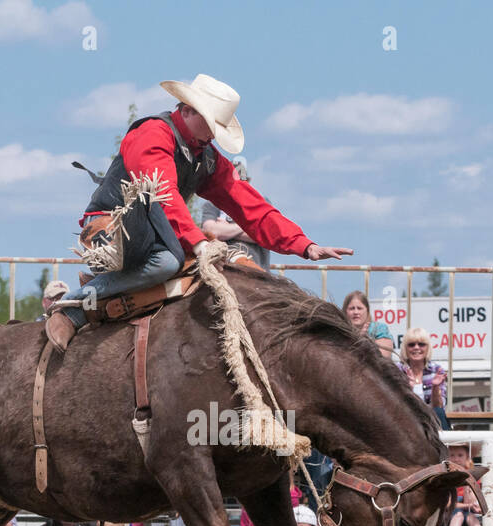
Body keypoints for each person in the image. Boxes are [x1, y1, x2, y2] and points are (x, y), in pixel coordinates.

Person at [45, 74, 351, 352]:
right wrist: (199, 242)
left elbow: (246, 202)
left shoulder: (204, 158)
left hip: (156, 231)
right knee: (168, 261)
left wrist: (302, 244)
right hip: (108, 228)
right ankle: (73, 306)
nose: (214, 136)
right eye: (212, 125)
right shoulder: (152, 134)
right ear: (189, 111)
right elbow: (162, 194)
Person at [199, 159, 271, 269]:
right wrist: (248, 226)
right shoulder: (212, 203)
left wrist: (225, 229)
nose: (235, 185)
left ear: (246, 182)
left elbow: (266, 235)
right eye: (230, 181)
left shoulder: (261, 202)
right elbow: (210, 231)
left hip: (255, 267)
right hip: (220, 265)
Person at [397, 326, 449, 429]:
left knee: (439, 412)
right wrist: (408, 389)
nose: (416, 347)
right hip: (405, 420)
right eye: (411, 345)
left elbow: (439, 407)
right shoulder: (397, 370)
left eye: (421, 344)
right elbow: (395, 404)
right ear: (405, 349)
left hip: (430, 422)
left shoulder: (436, 370)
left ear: (428, 348)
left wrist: (435, 387)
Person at [445, 442, 486, 526]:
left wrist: (467, 482)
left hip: (466, 516)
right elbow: (447, 504)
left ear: (467, 457)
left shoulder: (472, 476)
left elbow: (471, 502)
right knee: (458, 515)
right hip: (448, 517)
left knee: (471, 518)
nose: (456, 459)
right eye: (452, 455)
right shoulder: (445, 477)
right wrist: (467, 505)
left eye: (460, 455)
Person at [342, 290, 394, 361]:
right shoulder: (341, 332)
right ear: (345, 311)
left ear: (367, 310)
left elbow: (384, 355)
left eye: (359, 308)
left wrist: (362, 341)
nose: (356, 312)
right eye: (351, 308)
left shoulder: (379, 329)